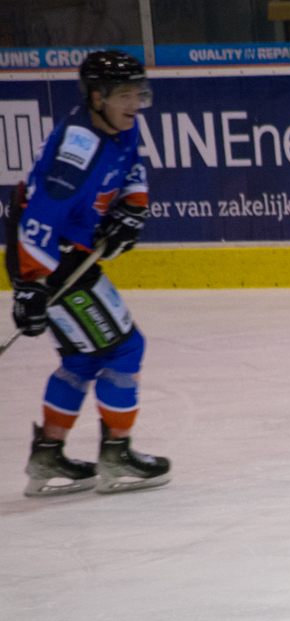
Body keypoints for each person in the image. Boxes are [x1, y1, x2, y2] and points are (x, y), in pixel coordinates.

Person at [6, 50, 169, 496]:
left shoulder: (119, 125)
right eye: (124, 95)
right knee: (124, 350)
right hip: (53, 261)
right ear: (97, 97)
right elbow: (35, 219)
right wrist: (29, 286)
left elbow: (133, 164)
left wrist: (132, 210)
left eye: (139, 93)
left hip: (67, 255)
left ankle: (47, 455)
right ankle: (117, 453)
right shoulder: (76, 151)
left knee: (82, 358)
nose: (135, 103)